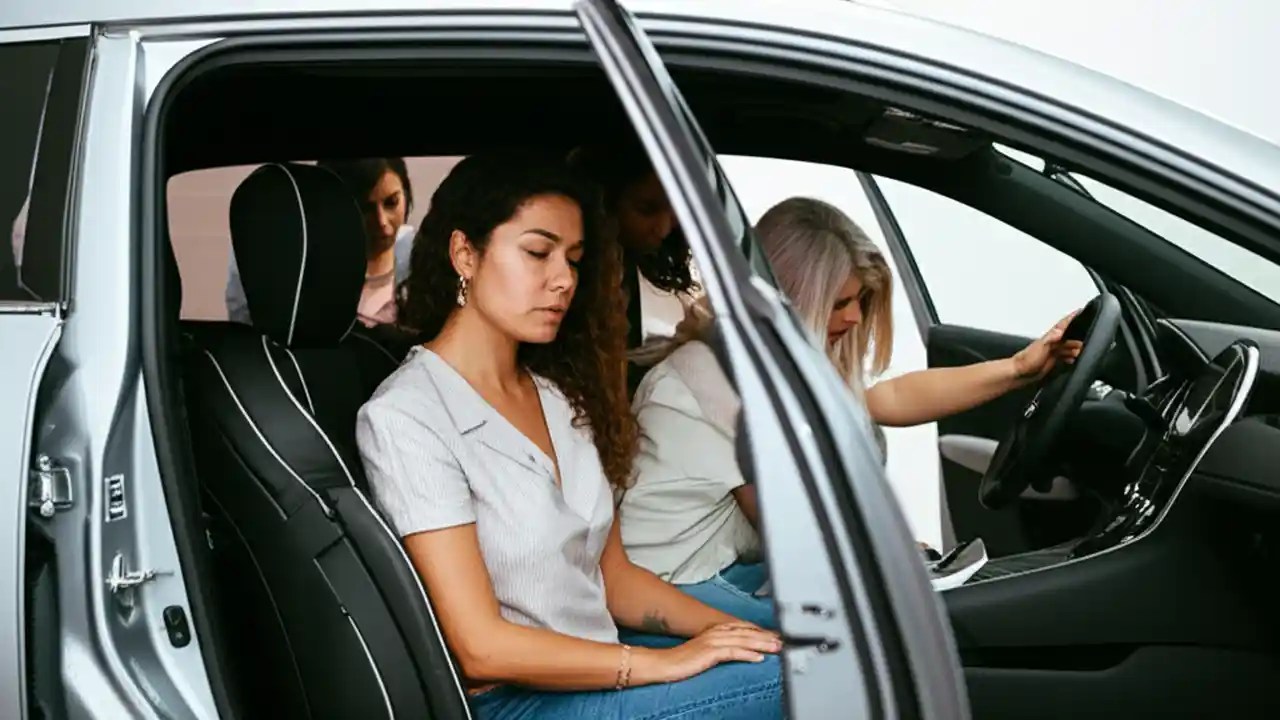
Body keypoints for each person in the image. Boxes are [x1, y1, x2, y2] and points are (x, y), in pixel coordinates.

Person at [355, 152, 783, 719]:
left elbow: (616, 581)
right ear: (465, 254)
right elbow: (480, 648)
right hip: (514, 701)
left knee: (812, 645)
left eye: (574, 260)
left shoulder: (556, 398)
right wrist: (656, 664)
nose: (563, 280)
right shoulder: (407, 417)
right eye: (537, 252)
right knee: (825, 677)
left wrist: (736, 631)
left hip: (597, 665)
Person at [619, 196, 1080, 624]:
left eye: (860, 301)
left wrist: (1021, 369)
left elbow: (889, 399)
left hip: (723, 565)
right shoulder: (720, 375)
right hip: (672, 584)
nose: (856, 318)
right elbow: (797, 524)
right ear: (792, 298)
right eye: (841, 303)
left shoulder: (765, 361)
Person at [568, 142, 699, 392]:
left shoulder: (629, 265)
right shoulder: (573, 281)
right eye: (646, 209)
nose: (663, 228)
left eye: (675, 209)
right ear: (605, 201)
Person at [225, 157, 416, 327]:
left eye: (391, 202)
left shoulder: (419, 255)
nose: (382, 221)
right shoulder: (294, 266)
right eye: (364, 208)